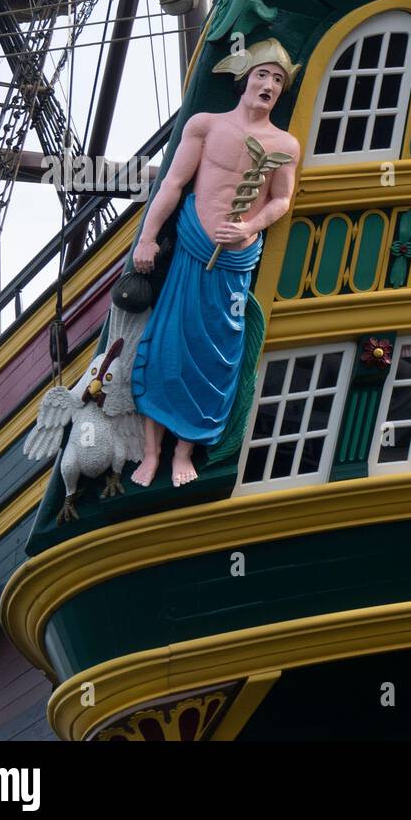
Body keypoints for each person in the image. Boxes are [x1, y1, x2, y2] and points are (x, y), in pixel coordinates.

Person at [129, 39, 301, 487]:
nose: (268, 85)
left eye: (278, 80)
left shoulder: (284, 144)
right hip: (191, 251)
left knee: (217, 353)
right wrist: (147, 238)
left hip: (234, 261)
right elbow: (173, 184)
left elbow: (281, 199)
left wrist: (250, 227)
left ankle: (185, 450)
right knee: (168, 343)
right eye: (262, 74)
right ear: (245, 79)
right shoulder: (206, 126)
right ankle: (151, 452)